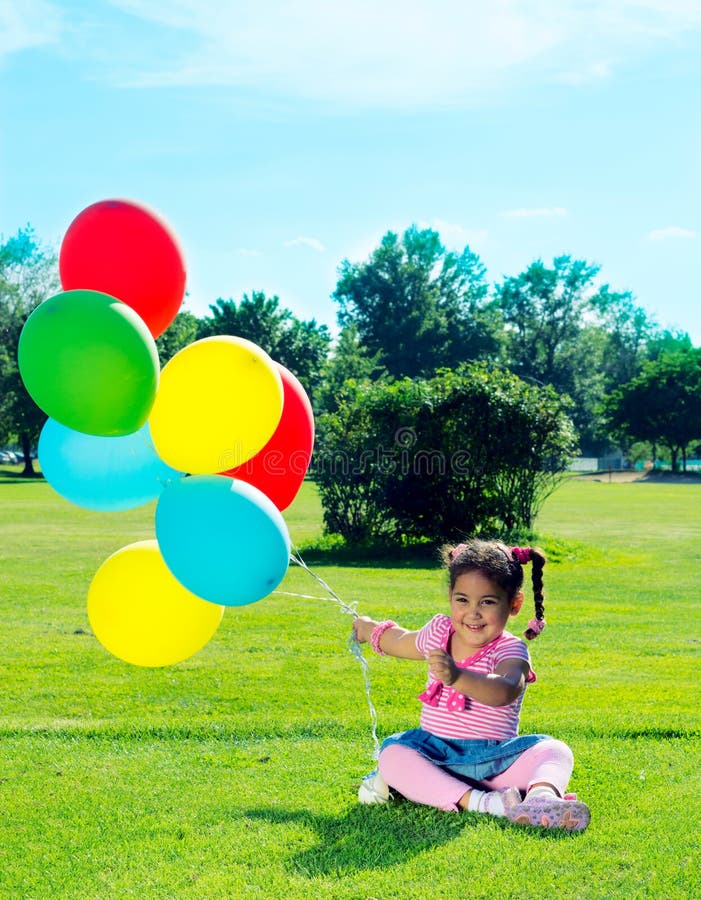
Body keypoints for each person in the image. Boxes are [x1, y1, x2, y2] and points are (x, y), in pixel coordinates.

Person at [352, 539, 590, 832]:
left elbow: (505, 690)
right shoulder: (439, 632)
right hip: (436, 757)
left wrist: (458, 676)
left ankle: (541, 799)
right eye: (462, 600)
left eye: (487, 602)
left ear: (514, 605)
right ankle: (483, 803)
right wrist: (368, 629)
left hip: (494, 763)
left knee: (555, 751)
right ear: (451, 596)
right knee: (392, 756)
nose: (473, 613)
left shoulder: (510, 650)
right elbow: (401, 641)